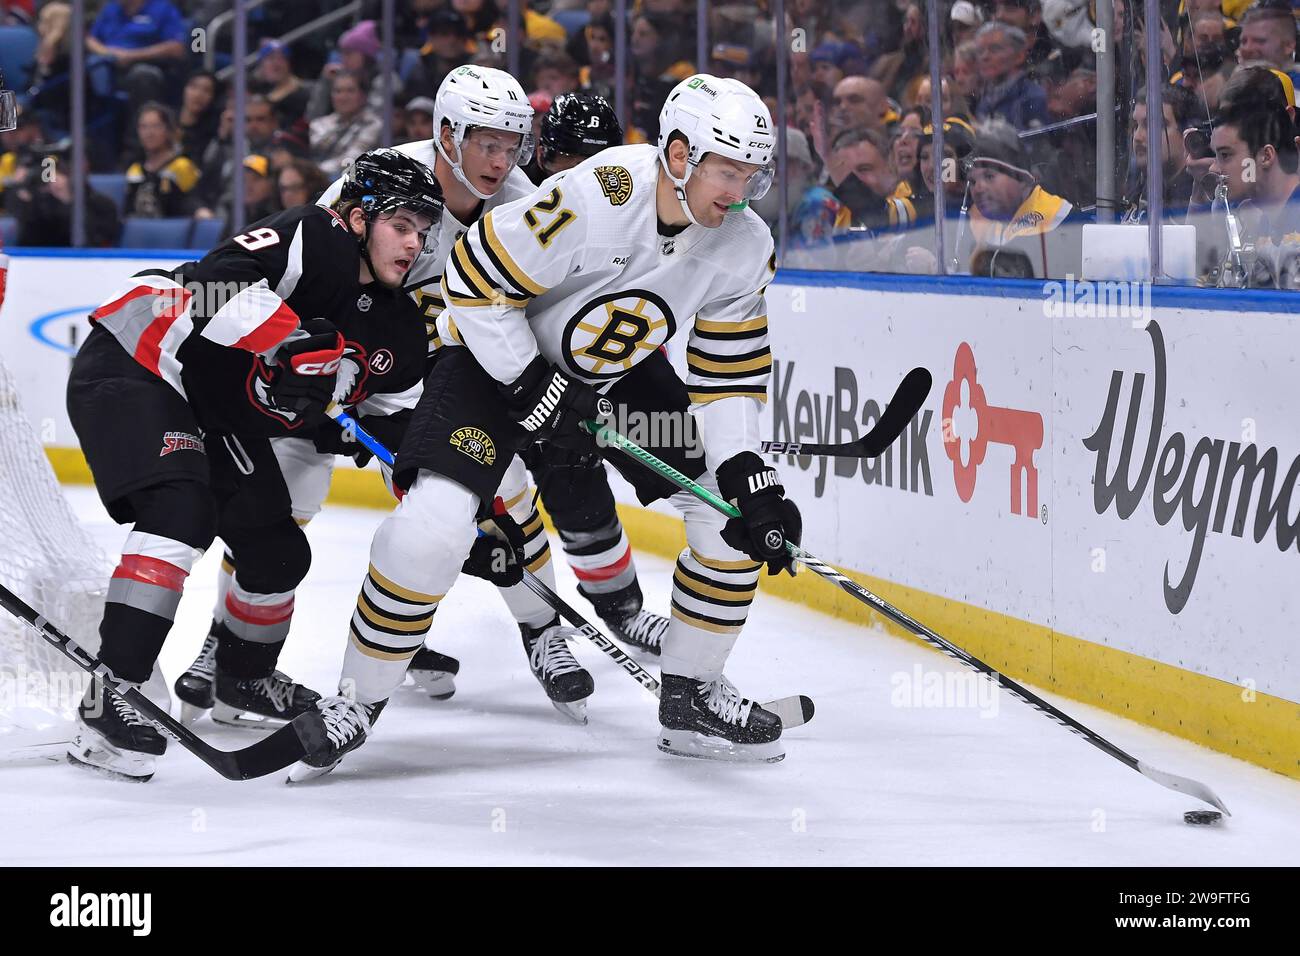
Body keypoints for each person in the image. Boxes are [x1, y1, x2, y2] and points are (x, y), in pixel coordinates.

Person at [293, 74, 802, 779]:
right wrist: (533, 382)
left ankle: (691, 697)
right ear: (679, 156)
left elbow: (729, 374)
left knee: (731, 517)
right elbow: (473, 280)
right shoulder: (598, 196)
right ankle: (357, 701)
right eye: (727, 170)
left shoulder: (745, 243)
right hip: (486, 369)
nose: (740, 191)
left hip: (600, 381)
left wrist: (749, 470)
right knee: (433, 528)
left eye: (753, 174)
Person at [69, 148, 443, 777]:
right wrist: (287, 338)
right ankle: (112, 693)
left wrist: (451, 505)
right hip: (144, 357)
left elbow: (398, 428)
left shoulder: (399, 329)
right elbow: (212, 279)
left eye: (423, 232)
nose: (414, 244)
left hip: (213, 414)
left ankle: (242, 683)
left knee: (278, 554)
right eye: (401, 225)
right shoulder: (315, 236)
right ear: (358, 218)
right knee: (179, 509)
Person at [962, 118, 1081, 277]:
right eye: (973, 181)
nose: (978, 188)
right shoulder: (995, 223)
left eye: (989, 176)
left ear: (1024, 180)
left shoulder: (1053, 218)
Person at [124, 103, 201, 218]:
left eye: (156, 126)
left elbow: (194, 203)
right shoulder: (134, 170)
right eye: (143, 127)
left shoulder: (182, 167)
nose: (149, 133)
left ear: (169, 130)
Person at [309, 71, 384, 180]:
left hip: (353, 180)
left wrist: (314, 171)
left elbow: (350, 159)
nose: (343, 97)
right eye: (338, 91)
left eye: (350, 91)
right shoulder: (318, 124)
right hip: (316, 180)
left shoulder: (373, 124)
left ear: (362, 96)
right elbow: (314, 149)